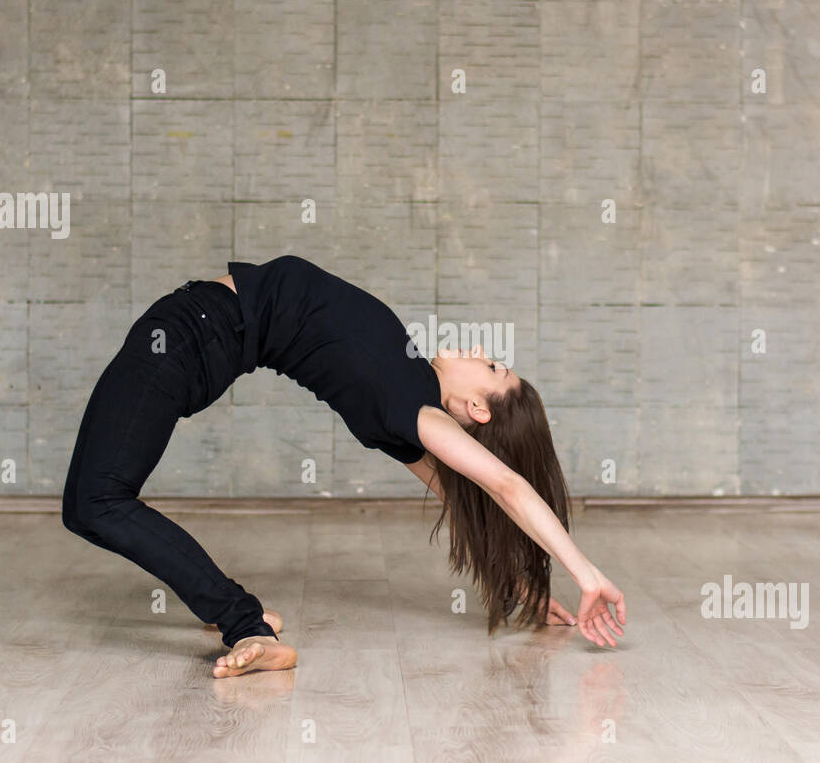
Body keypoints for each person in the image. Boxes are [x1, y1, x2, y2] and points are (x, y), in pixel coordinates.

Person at [62, 254, 626, 677]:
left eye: (494, 367)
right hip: (193, 331)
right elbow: (469, 505)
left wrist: (586, 573)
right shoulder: (405, 391)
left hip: (192, 336)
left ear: (477, 409)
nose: (482, 353)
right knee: (88, 504)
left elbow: (503, 485)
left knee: (97, 500)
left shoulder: (418, 411)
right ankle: (234, 611)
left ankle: (246, 624)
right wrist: (522, 586)